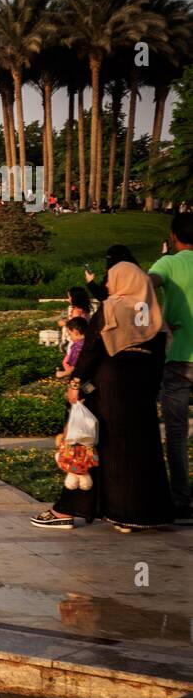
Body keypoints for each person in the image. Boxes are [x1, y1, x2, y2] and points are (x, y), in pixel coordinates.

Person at [32, 261, 173, 532]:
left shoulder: (112, 308)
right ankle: (136, 514)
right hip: (141, 393)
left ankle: (67, 508)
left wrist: (75, 383)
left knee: (91, 446)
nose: (106, 285)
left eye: (110, 279)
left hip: (108, 389)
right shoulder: (153, 315)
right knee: (138, 450)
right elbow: (158, 361)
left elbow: (91, 350)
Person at [150, 213, 193, 521]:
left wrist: (160, 323)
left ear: (174, 237)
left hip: (178, 357)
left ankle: (181, 499)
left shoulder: (168, 263)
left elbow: (144, 284)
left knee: (176, 433)